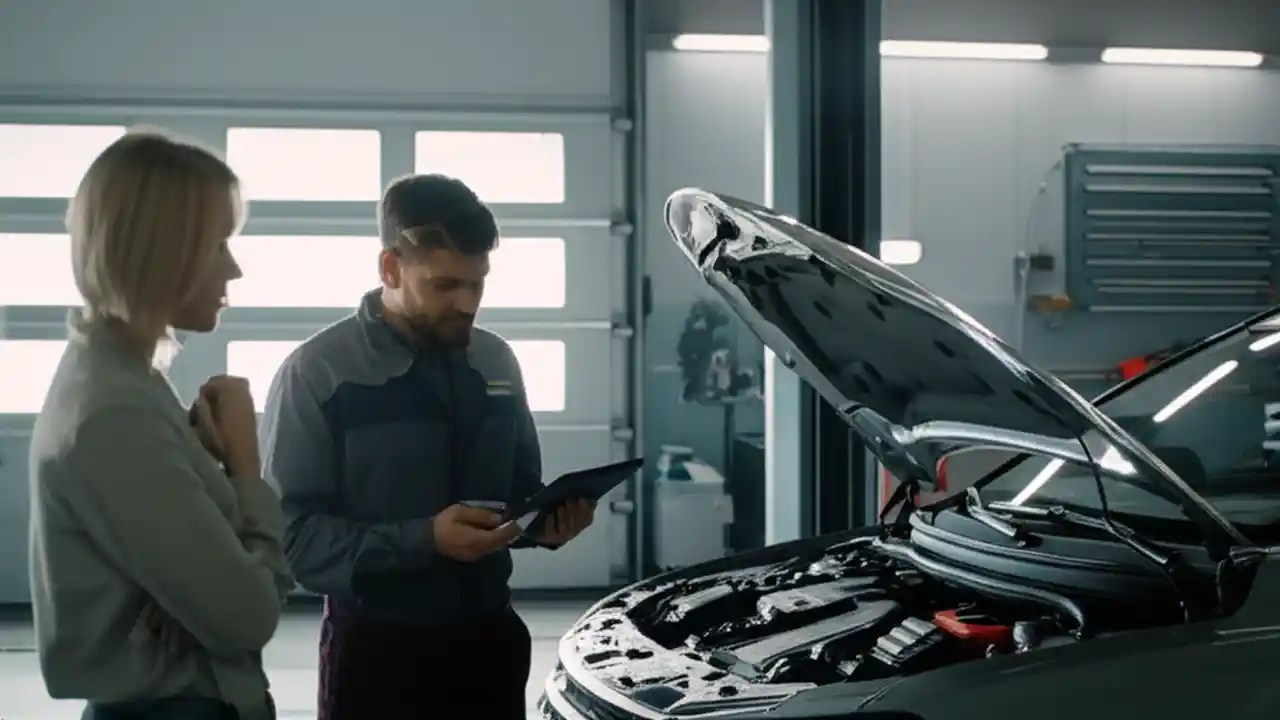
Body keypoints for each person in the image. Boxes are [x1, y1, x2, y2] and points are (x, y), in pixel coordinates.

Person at [260, 173, 596, 719]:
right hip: (377, 660)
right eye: (445, 285)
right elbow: (294, 541)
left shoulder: (497, 362)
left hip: (490, 648)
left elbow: (518, 493)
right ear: (390, 268)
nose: (467, 303)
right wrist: (425, 541)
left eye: (477, 284)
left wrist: (545, 524)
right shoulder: (318, 373)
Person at [27, 130, 295, 720]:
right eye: (217, 244)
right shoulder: (117, 414)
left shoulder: (123, 377)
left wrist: (198, 588)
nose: (234, 269)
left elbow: (215, 596)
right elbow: (250, 617)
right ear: (161, 251)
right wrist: (245, 469)